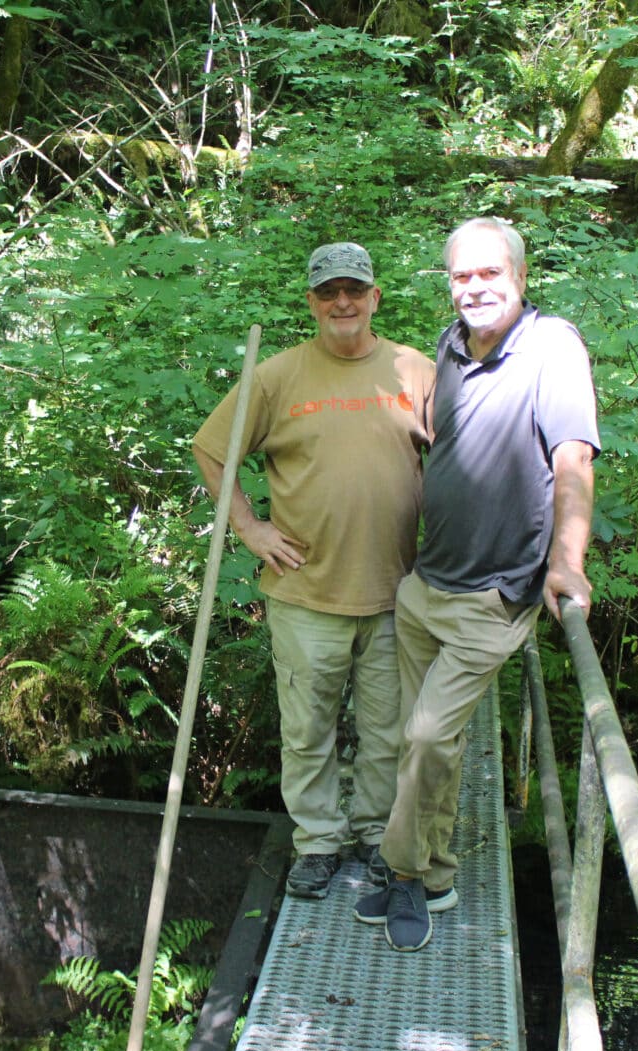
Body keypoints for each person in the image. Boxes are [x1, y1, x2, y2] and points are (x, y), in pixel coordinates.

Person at [354, 217, 600, 950]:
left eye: (489, 273)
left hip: (493, 596)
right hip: (426, 584)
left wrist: (567, 561)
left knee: (427, 736)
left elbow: (574, 460)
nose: (474, 288)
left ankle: (400, 872)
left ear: (520, 276)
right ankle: (438, 872)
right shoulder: (450, 346)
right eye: (461, 276)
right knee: (429, 741)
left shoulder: (551, 346)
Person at [192, 242, 436, 900]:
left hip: (397, 594)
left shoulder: (416, 371)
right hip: (305, 594)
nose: (343, 302)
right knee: (307, 732)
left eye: (354, 289)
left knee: (389, 731)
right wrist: (249, 527)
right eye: (329, 292)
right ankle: (319, 840)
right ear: (312, 302)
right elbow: (212, 452)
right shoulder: (277, 377)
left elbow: (464, 458)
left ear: (375, 296)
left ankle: (377, 835)